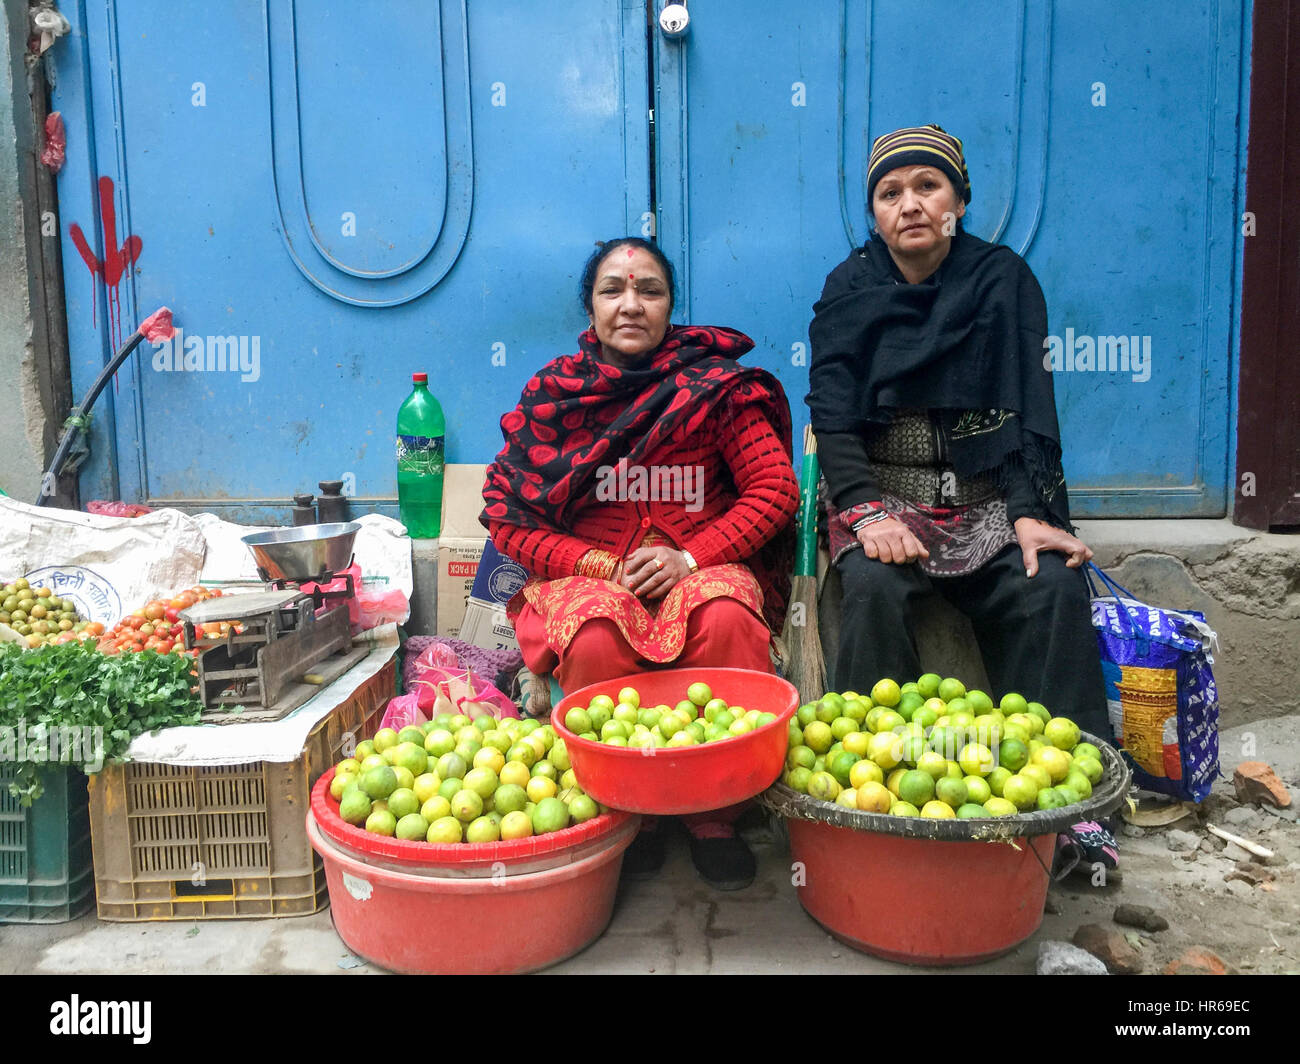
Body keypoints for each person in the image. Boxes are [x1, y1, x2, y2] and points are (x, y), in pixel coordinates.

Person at [481, 237, 800, 890]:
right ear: (590, 307)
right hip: (595, 574)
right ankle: (636, 810)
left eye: (649, 290)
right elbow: (512, 521)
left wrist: (692, 555)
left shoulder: (715, 389)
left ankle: (717, 812)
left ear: (671, 305)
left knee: (726, 615)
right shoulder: (556, 396)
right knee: (596, 630)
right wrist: (597, 564)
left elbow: (774, 490)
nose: (631, 304)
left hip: (700, 563)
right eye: (613, 290)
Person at [806, 124, 1112, 742]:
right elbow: (831, 415)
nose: (910, 204)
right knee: (870, 585)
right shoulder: (852, 288)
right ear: (874, 212)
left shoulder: (1002, 280)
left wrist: (1030, 512)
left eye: (928, 185)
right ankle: (883, 771)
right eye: (889, 194)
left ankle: (1067, 795)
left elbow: (1031, 409)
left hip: (987, 501)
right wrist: (866, 513)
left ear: (960, 202)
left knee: (1050, 585)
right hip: (886, 501)